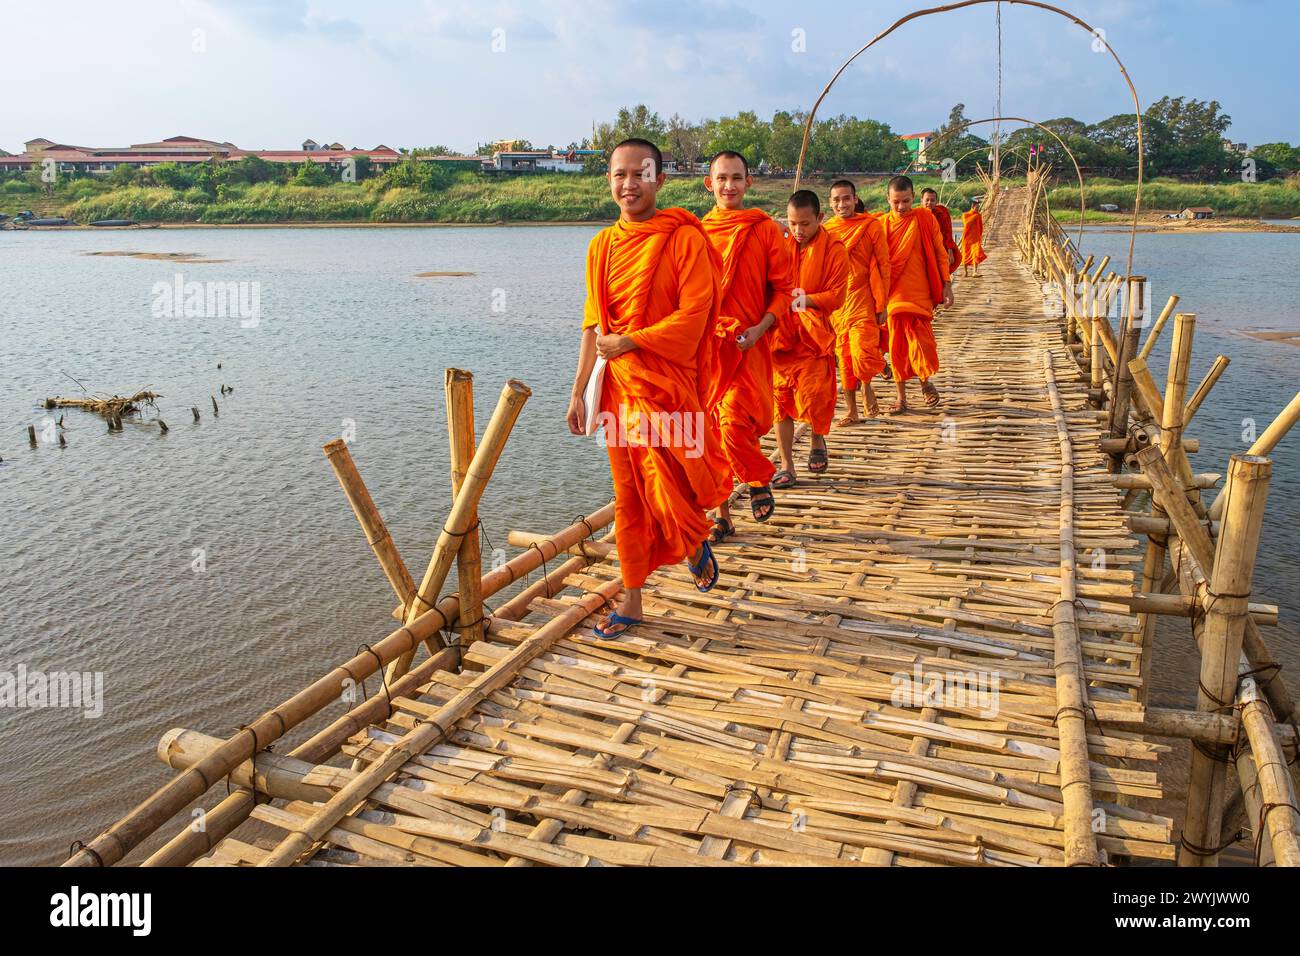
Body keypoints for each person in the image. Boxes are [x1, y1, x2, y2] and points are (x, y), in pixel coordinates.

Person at [566, 138, 725, 638]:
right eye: (619, 174)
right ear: (608, 180)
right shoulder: (600, 247)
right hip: (617, 389)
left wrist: (634, 340)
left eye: (640, 173)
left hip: (668, 383)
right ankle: (632, 599)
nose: (629, 184)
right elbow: (593, 326)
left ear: (660, 178)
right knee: (629, 493)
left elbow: (695, 316)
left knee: (672, 475)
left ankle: (693, 534)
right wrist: (576, 391)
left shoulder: (684, 240)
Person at [700, 150, 794, 542]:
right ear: (709, 184)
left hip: (750, 345)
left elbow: (784, 290)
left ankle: (757, 476)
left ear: (749, 182)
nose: (729, 186)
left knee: (735, 425)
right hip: (709, 348)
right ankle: (723, 515)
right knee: (711, 431)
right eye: (722, 178)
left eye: (736, 178)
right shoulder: (697, 232)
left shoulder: (765, 229)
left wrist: (761, 327)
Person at [770, 189, 847, 488]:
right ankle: (787, 465)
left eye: (805, 224)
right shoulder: (781, 244)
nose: (798, 231)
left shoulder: (834, 249)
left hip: (813, 338)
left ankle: (817, 437)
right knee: (781, 403)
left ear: (820, 218)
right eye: (792, 224)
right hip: (779, 338)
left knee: (816, 397)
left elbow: (836, 296)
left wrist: (798, 300)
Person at [881, 175, 953, 414]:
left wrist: (946, 285)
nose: (901, 207)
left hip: (920, 292)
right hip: (893, 295)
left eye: (906, 201)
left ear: (914, 198)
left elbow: (940, 252)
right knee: (897, 345)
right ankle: (901, 398)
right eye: (896, 202)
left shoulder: (924, 218)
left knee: (921, 343)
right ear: (887, 199)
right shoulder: (881, 225)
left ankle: (924, 382)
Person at [824, 179, 890, 422]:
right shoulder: (827, 230)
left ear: (855, 199)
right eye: (837, 200)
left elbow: (884, 265)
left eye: (846, 198)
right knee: (844, 357)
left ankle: (867, 387)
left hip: (864, 298)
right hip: (839, 304)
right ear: (830, 203)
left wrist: (882, 303)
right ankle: (851, 410)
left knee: (862, 352)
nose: (842, 204)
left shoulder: (870, 226)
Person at [920, 187, 959, 273]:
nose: (929, 203)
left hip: (939, 250)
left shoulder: (942, 213)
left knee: (940, 276)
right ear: (921, 201)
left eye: (932, 200)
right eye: (927, 200)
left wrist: (950, 250)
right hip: (923, 252)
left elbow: (947, 232)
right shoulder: (917, 215)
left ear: (936, 202)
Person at [960, 199, 987, 276]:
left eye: (979, 207)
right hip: (967, 238)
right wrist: (976, 215)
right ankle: (965, 272)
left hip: (975, 238)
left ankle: (975, 272)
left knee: (975, 254)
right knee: (965, 254)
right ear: (972, 207)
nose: (978, 209)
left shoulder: (978, 215)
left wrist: (980, 235)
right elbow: (967, 224)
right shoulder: (965, 215)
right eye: (977, 207)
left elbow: (980, 226)